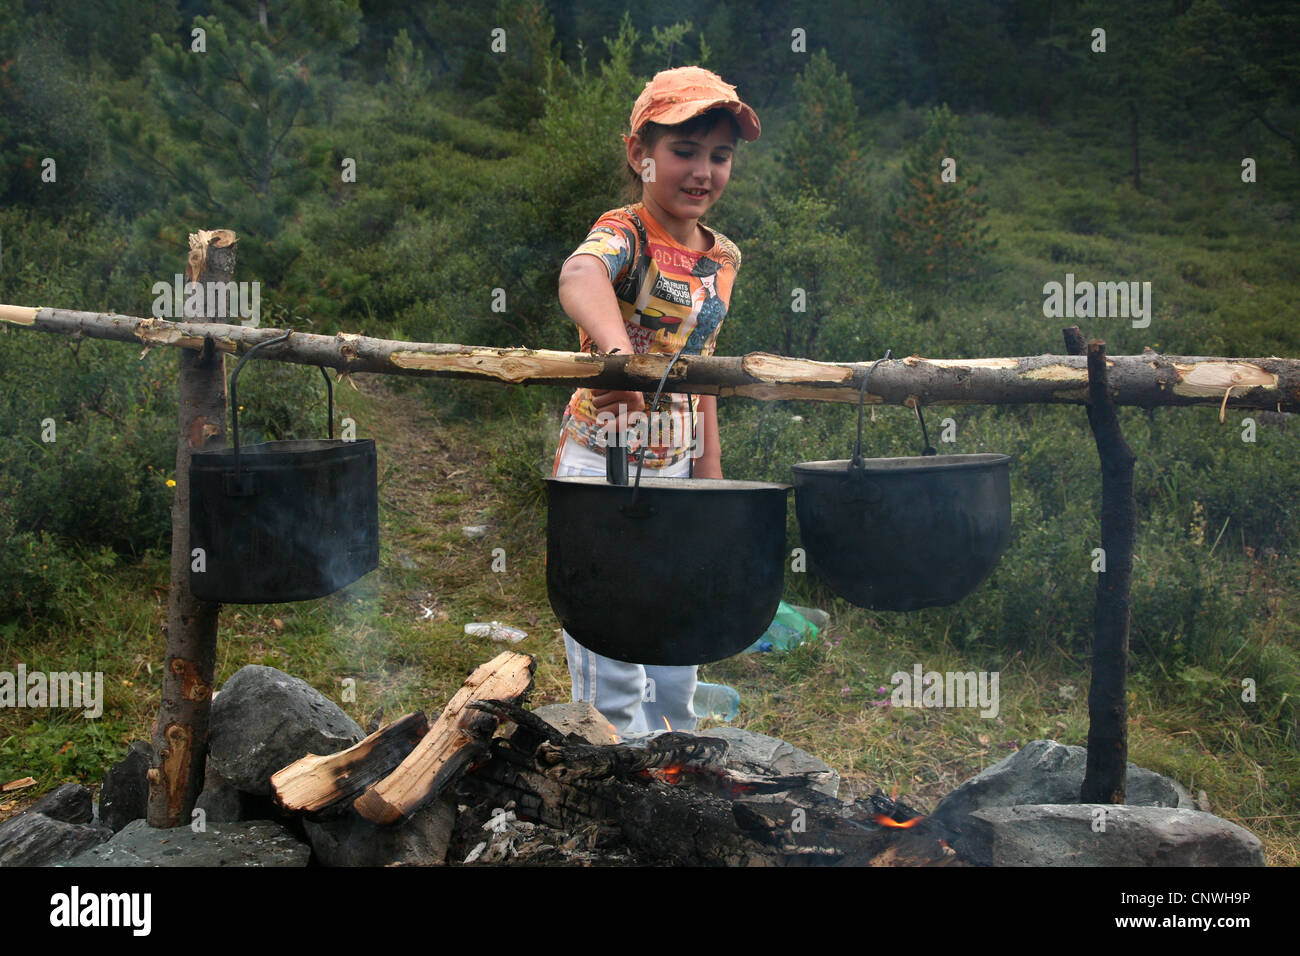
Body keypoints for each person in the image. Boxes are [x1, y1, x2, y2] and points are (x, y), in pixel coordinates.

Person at [551, 66, 761, 738]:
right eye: (684, 151)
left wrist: (711, 478)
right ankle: (612, 791)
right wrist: (622, 359)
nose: (703, 172)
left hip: (678, 469)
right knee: (611, 651)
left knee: (678, 646)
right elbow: (580, 274)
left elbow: (699, 365)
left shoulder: (721, 257)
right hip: (602, 467)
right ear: (641, 155)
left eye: (719, 156)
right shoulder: (626, 231)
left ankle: (671, 781)